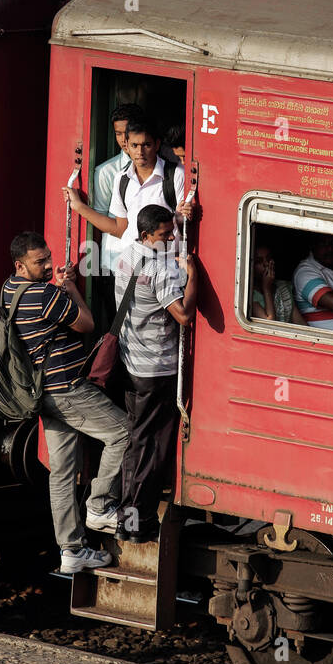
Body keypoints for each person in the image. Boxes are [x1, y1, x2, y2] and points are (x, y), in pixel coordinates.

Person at [3, 231, 130, 573]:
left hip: (42, 393)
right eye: (39, 261)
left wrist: (57, 289)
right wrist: (71, 289)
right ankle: (100, 506)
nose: (47, 265)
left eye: (47, 257)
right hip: (68, 389)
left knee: (60, 473)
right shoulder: (45, 295)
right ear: (20, 264)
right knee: (123, 432)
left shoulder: (9, 290)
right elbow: (87, 324)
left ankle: (71, 550)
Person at [113, 205, 198, 544]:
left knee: (139, 443)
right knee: (151, 449)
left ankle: (127, 518)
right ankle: (136, 523)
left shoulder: (127, 254)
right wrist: (193, 277)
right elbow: (184, 315)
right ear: (148, 236)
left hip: (132, 362)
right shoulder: (160, 270)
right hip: (156, 370)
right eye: (166, 236)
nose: (172, 239)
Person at [64, 121, 193, 266]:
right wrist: (79, 207)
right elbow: (120, 228)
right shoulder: (121, 178)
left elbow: (185, 224)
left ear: (157, 145)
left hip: (165, 266)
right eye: (134, 145)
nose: (140, 152)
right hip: (129, 267)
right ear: (126, 146)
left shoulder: (176, 175)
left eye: (146, 145)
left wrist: (182, 217)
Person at [88, 104, 145, 326]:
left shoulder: (160, 168)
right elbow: (101, 221)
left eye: (127, 131)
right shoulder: (106, 173)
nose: (123, 139)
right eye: (118, 133)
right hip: (113, 263)